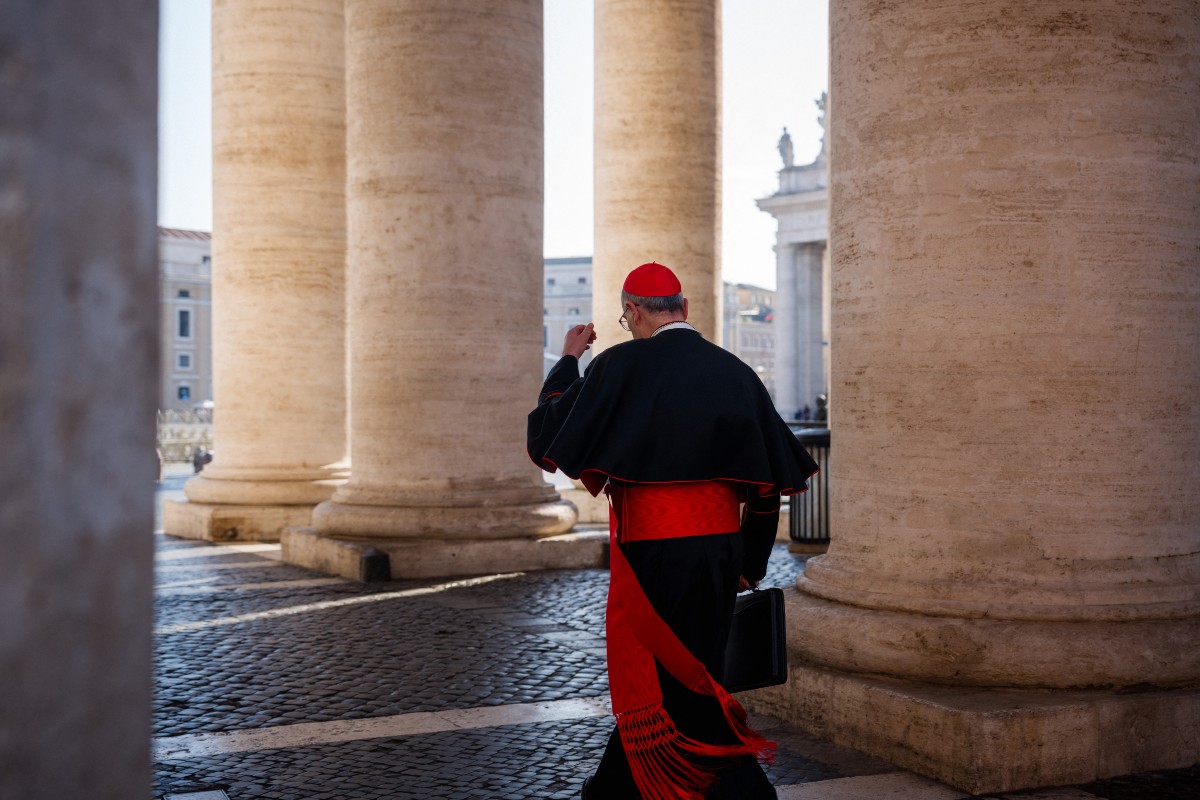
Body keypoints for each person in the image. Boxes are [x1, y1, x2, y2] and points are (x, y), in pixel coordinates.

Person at [527, 262, 819, 800]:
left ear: (634, 311)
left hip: (651, 553)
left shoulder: (618, 365)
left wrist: (568, 359)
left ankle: (731, 787)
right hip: (718, 553)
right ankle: (627, 783)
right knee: (695, 668)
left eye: (627, 318)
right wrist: (749, 564)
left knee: (672, 676)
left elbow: (549, 430)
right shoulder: (734, 371)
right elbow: (764, 486)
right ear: (684, 308)